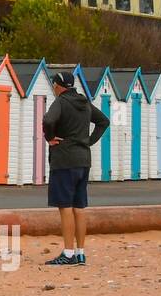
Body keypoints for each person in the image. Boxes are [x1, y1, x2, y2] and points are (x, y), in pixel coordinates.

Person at [42, 70, 110, 266]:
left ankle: (68, 253)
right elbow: (103, 121)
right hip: (83, 160)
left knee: (65, 207)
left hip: (64, 160)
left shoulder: (62, 102)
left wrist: (49, 138)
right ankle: (80, 253)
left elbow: (48, 120)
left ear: (57, 86)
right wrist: (88, 141)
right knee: (79, 208)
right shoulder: (84, 102)